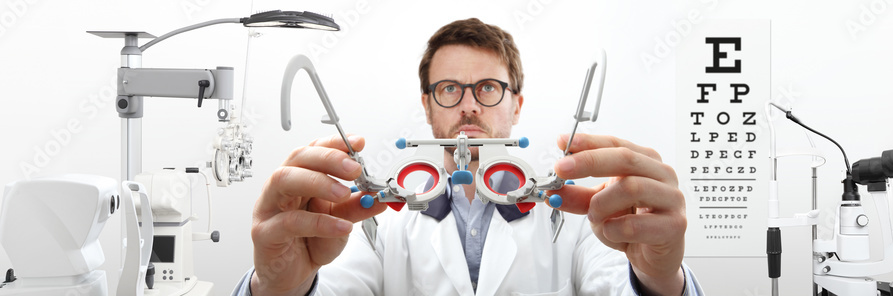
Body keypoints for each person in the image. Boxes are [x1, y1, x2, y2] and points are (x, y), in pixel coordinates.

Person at [233, 18, 703, 295]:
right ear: (427, 105)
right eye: (449, 89)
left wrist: (659, 281)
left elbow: (618, 287)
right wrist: (279, 287)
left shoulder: (577, 215)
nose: (470, 105)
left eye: (488, 88)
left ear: (516, 105)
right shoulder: (376, 219)